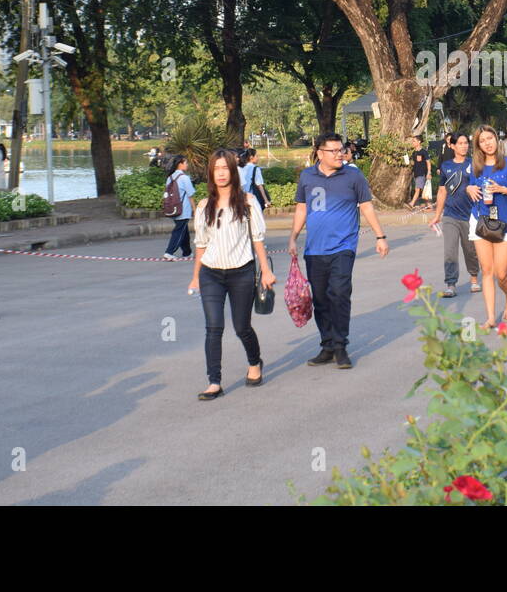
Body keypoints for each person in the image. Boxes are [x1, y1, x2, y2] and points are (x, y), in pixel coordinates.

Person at [288, 133, 389, 369]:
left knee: (340, 293)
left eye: (341, 149)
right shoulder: (307, 176)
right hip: (314, 249)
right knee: (321, 299)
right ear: (319, 153)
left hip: (343, 246)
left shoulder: (353, 175)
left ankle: (341, 346)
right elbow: (302, 209)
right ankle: (327, 345)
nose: (339, 154)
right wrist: (293, 237)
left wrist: (380, 236)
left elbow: (366, 206)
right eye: (333, 151)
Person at [187, 149, 276, 401]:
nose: (221, 173)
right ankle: (214, 381)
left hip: (242, 273)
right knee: (213, 327)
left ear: (233, 172)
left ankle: (255, 362)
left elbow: (258, 240)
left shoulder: (247, 202)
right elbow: (201, 245)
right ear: (211, 173)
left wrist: (266, 271)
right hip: (211, 274)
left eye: (225, 168)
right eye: (217, 169)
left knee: (241, 327)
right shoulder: (204, 206)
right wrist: (195, 276)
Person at [466, 125, 507, 327]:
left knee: (502, 273)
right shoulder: (476, 166)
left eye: (490, 138)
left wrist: (502, 189)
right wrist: (469, 188)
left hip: (504, 221)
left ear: (496, 140)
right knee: (487, 271)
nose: (487, 143)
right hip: (480, 219)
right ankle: (490, 317)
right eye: (482, 141)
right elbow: (470, 185)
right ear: (478, 145)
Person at [430, 132, 480, 297]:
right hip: (450, 214)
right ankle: (451, 284)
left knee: (470, 250)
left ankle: (474, 278)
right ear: (452, 146)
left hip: (470, 214)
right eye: (460, 143)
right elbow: (442, 191)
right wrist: (438, 214)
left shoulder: (473, 164)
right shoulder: (446, 166)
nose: (464, 146)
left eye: (466, 143)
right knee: (450, 251)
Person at [162, 156, 196, 260]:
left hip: (173, 209)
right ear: (180, 164)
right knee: (179, 231)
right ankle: (169, 252)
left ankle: (187, 253)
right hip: (183, 209)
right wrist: (195, 209)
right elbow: (190, 195)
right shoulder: (184, 178)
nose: (187, 164)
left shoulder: (170, 177)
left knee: (183, 231)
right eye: (185, 162)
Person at [406, 135, 431, 211]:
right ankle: (429, 205)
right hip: (416, 173)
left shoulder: (424, 152)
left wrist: (429, 173)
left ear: (419, 142)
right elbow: (413, 163)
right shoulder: (414, 152)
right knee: (423, 190)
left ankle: (411, 204)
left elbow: (428, 162)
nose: (412, 143)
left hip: (421, 173)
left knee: (417, 189)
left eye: (414, 141)